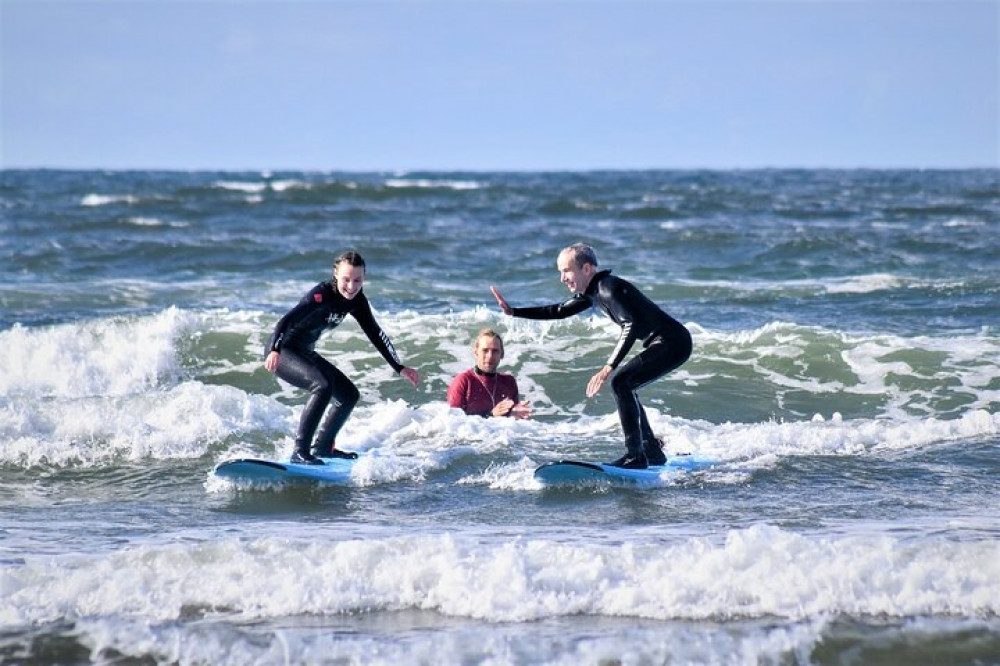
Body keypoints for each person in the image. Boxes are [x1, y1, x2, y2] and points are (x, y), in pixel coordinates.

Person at [490, 243, 691, 469]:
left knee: (620, 382)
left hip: (673, 342)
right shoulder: (593, 293)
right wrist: (513, 311)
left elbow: (630, 325)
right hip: (669, 343)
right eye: (560, 272)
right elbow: (558, 311)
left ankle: (636, 456)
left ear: (586, 269)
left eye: (566, 270)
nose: (562, 278)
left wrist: (608, 367)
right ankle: (650, 451)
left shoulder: (608, 288)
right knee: (626, 385)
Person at [264, 251, 420, 465]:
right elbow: (285, 321)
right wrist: (274, 348)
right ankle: (300, 452)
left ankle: (323, 447)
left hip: (305, 352)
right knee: (322, 386)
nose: (351, 286)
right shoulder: (320, 295)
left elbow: (375, 333)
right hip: (283, 351)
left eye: (358, 280)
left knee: (348, 395)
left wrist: (399, 367)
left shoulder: (357, 301)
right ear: (335, 274)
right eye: (346, 279)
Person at [446, 328, 532, 419]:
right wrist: (490, 415)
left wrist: (514, 413)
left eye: (495, 351)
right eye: (485, 350)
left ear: (502, 354)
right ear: (476, 352)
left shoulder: (509, 382)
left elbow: (510, 424)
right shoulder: (463, 381)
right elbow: (454, 422)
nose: (490, 356)